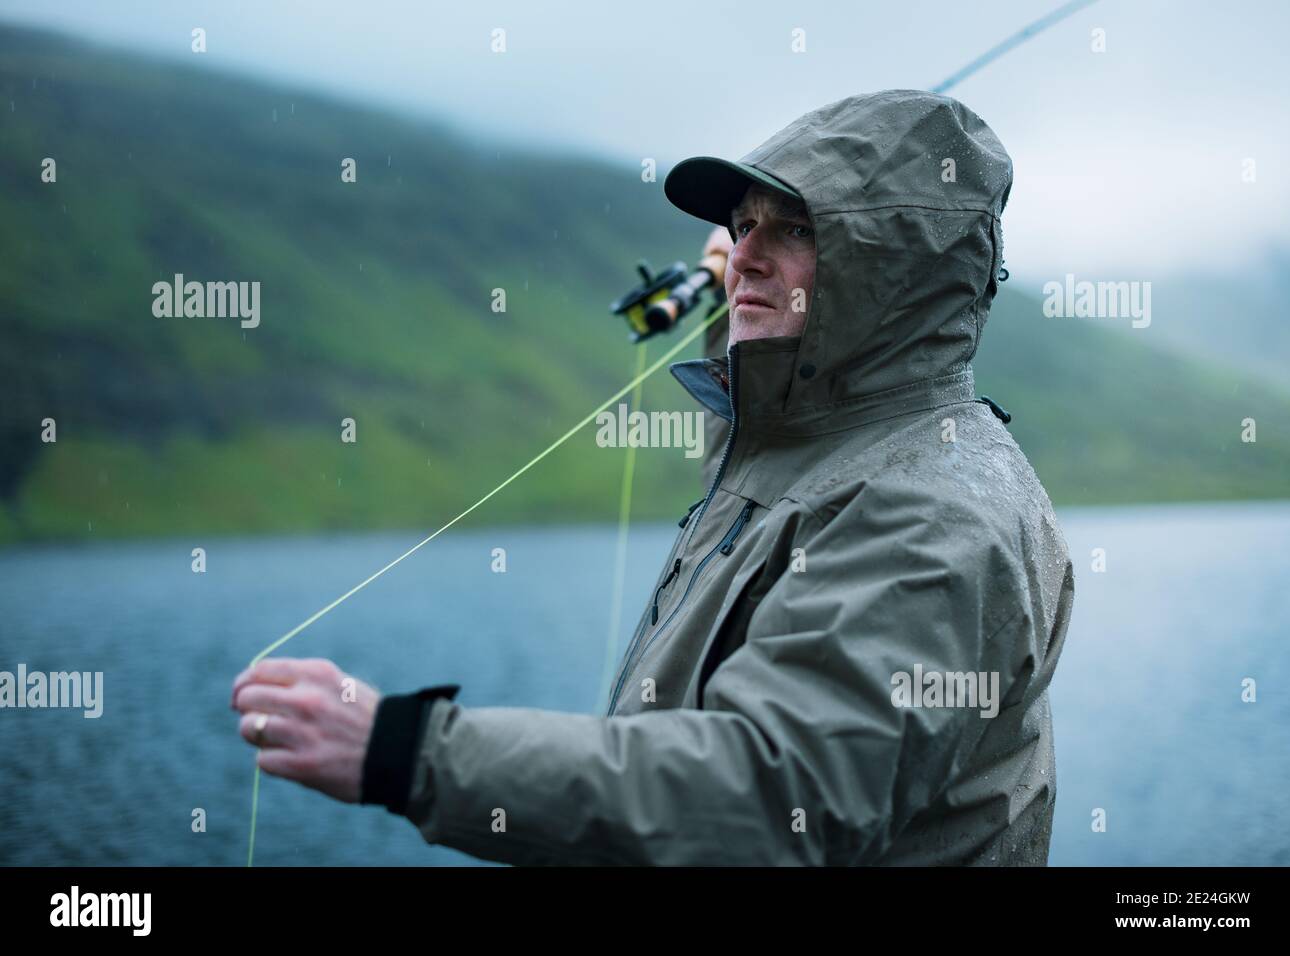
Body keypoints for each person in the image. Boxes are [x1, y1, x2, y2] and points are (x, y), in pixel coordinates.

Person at [232, 89, 1074, 865]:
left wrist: (412, 754)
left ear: (897, 274)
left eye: (799, 229)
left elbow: (778, 799)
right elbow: (772, 422)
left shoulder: (934, 518)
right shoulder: (818, 444)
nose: (745, 254)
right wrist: (744, 303)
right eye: (742, 226)